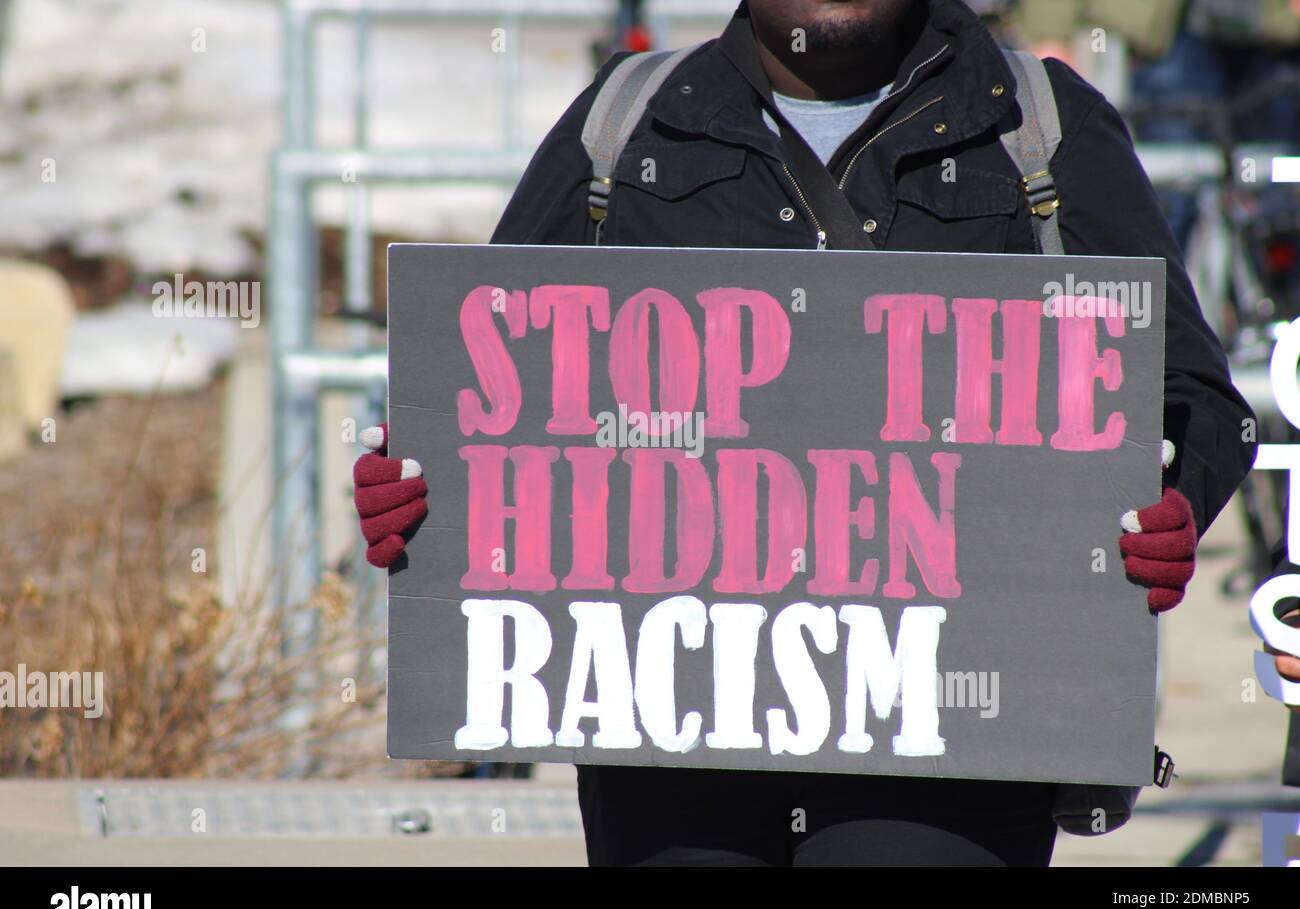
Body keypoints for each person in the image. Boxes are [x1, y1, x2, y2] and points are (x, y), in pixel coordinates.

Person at [353, 0, 1256, 865]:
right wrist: (417, 488)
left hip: (960, 752)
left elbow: (1197, 399)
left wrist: (1169, 500)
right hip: (670, 747)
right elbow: (482, 374)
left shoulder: (1042, 128)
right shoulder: (626, 125)